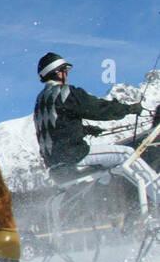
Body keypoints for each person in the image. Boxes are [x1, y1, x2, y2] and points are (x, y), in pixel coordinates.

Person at [34, 52, 160, 210]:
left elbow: (56, 129)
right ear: (57, 72)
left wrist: (84, 129)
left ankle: (111, 211)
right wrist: (130, 108)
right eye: (65, 70)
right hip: (73, 156)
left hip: (55, 167)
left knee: (108, 173)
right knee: (127, 155)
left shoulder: (41, 101)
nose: (67, 74)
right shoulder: (66, 93)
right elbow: (100, 109)